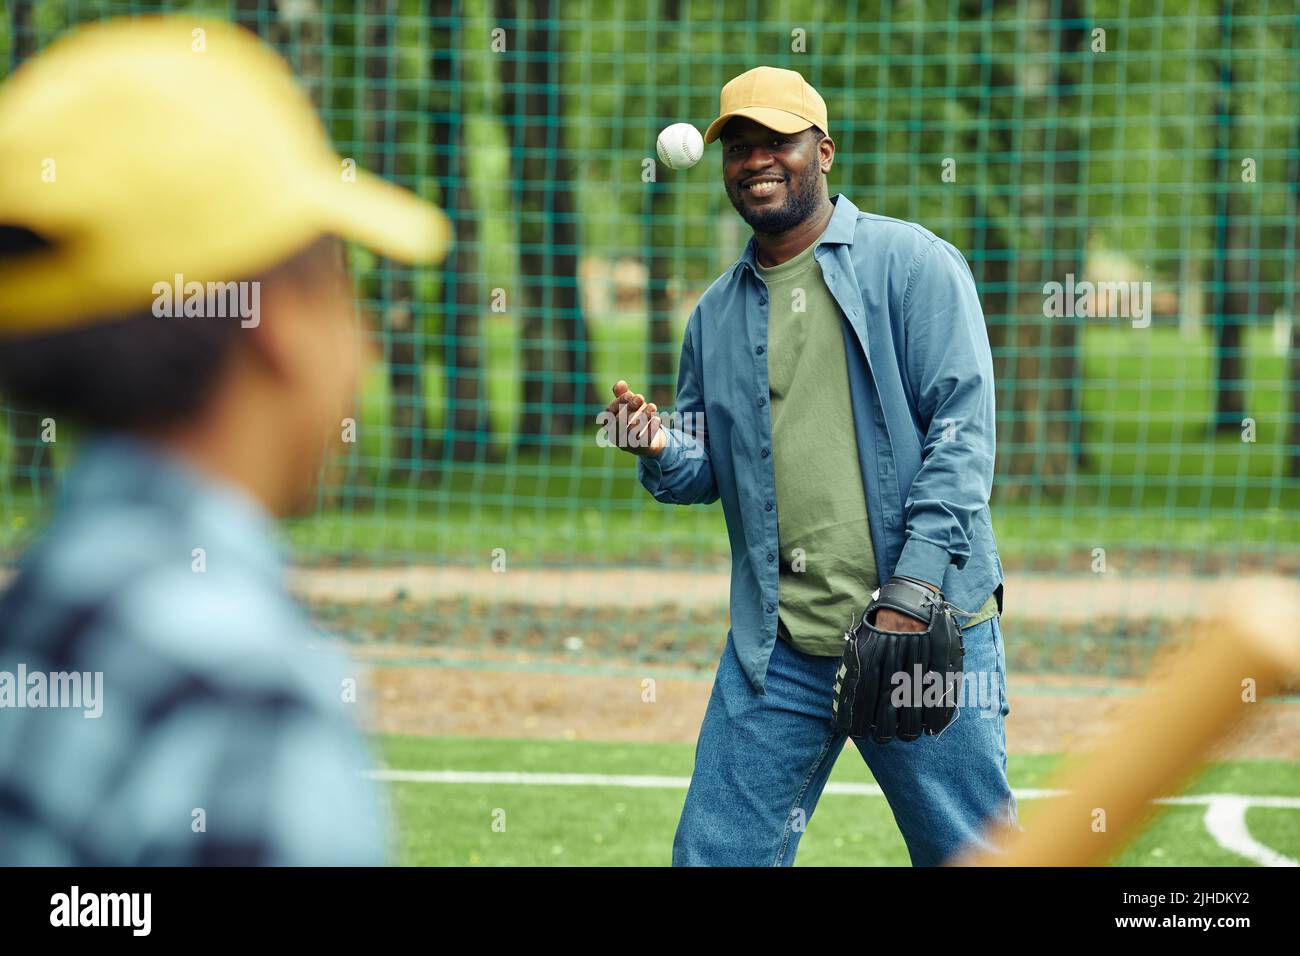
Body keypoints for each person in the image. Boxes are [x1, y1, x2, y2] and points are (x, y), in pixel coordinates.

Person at [0, 16, 449, 864]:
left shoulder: (39, 620)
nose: (362, 346)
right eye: (340, 283)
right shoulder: (242, 694)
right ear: (279, 323)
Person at [604, 66, 1016, 866]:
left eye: (778, 142)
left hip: (921, 630)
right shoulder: (714, 317)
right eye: (740, 147)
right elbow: (703, 470)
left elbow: (963, 439)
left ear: (823, 151)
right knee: (714, 857)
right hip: (781, 649)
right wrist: (658, 446)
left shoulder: (913, 264)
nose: (757, 160)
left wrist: (914, 589)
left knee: (973, 854)